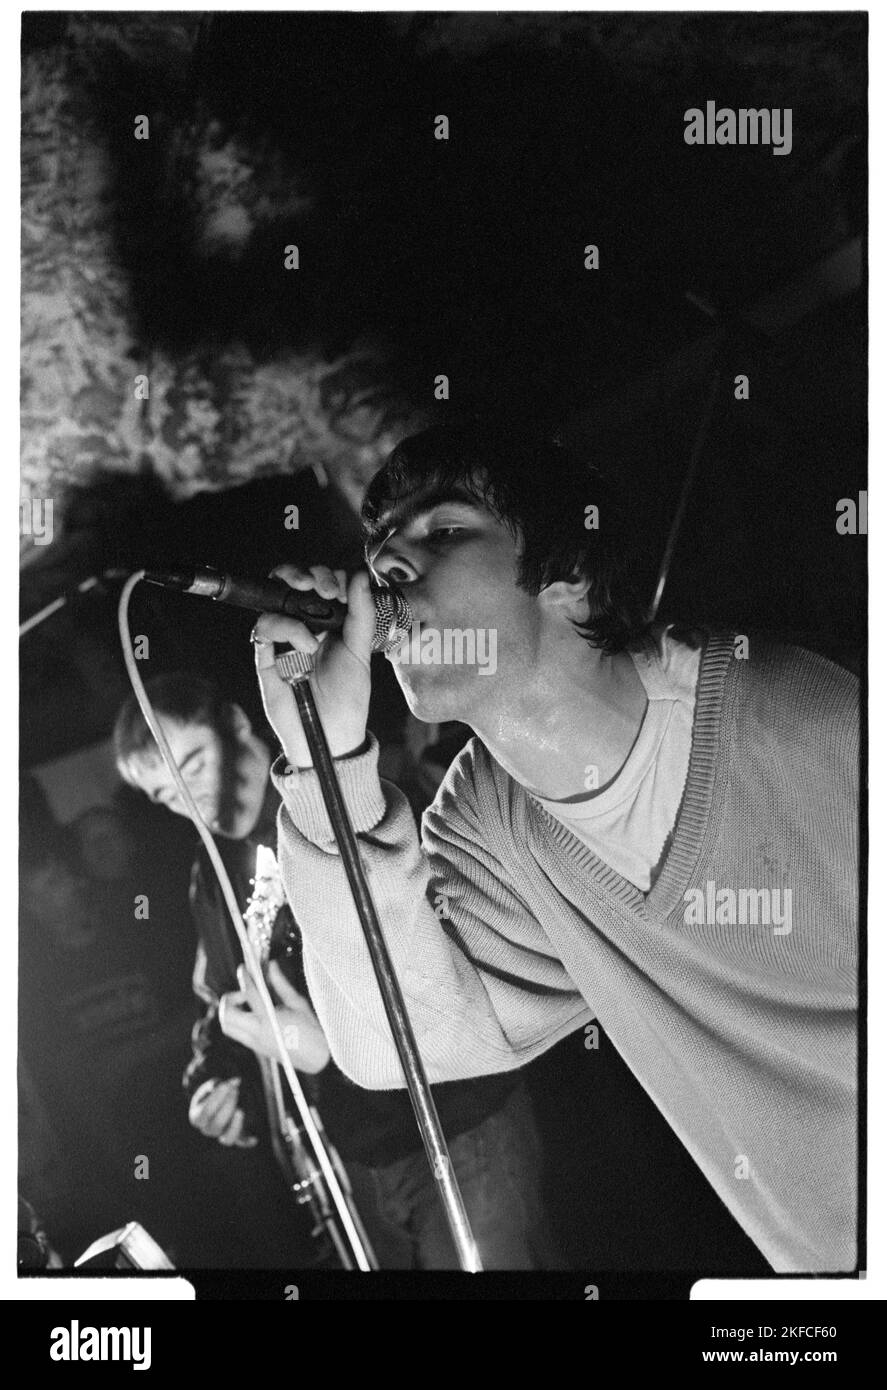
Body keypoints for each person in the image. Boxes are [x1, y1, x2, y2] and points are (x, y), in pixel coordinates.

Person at [251, 421, 859, 1275]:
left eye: (445, 531)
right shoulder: (488, 820)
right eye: (380, 548)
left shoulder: (808, 726)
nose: (386, 566)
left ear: (569, 575)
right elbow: (394, 1044)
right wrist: (326, 761)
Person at [113, 672, 559, 1269]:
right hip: (354, 1154)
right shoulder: (211, 874)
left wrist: (325, 1047)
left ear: (239, 725)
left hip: (457, 1123)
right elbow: (218, 999)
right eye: (166, 796)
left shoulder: (342, 800)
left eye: (191, 766)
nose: (189, 802)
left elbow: (446, 958)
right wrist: (212, 1081)